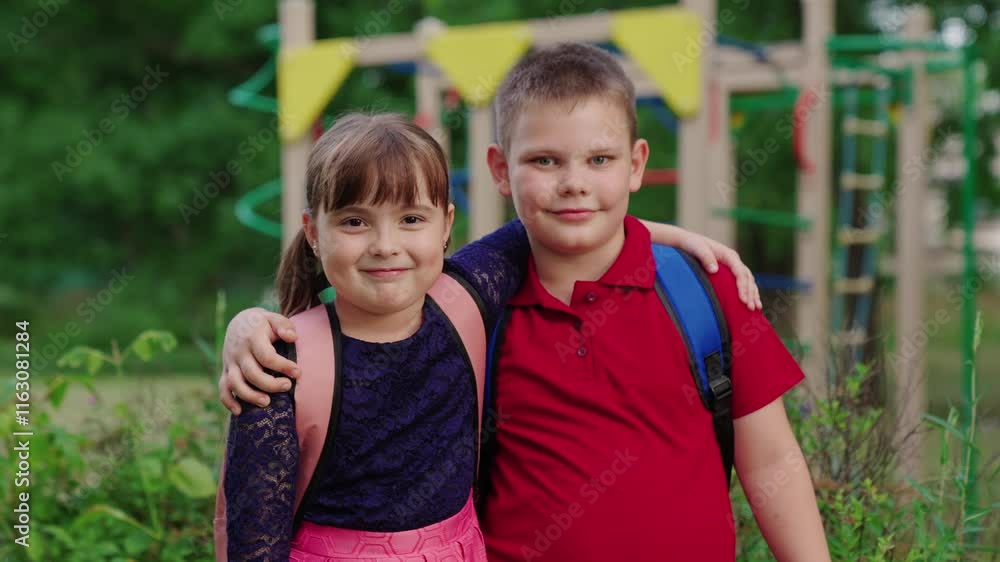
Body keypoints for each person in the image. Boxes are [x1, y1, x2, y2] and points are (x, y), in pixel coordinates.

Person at [215, 111, 760, 562]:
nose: (385, 245)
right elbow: (253, 543)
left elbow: (555, 224)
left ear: (447, 224)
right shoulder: (280, 363)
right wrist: (245, 325)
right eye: (355, 222)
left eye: (411, 219)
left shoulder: (465, 299)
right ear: (314, 232)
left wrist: (672, 237)